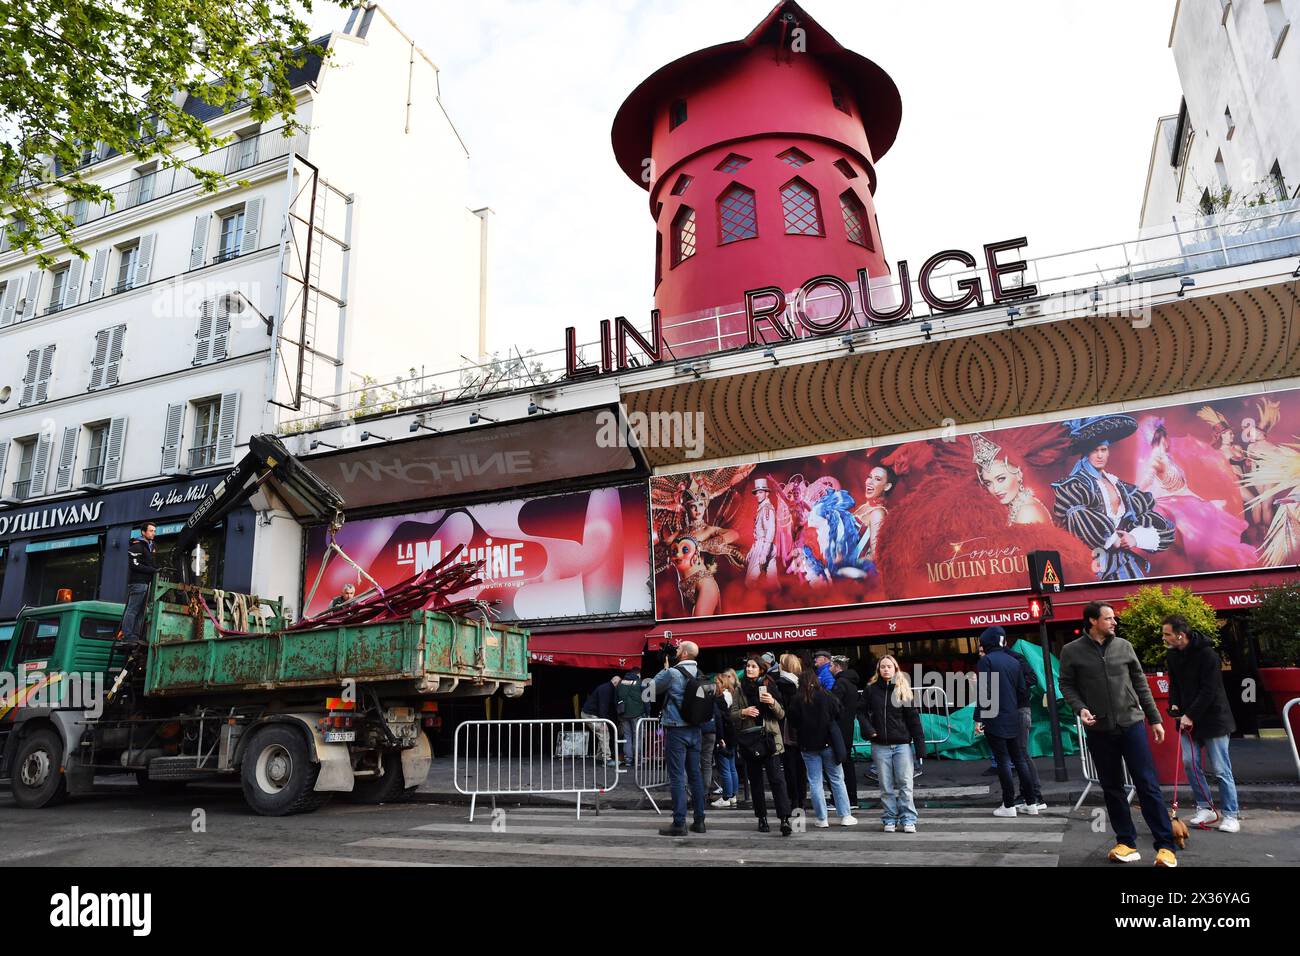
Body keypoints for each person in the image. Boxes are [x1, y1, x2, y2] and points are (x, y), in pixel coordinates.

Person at [1059, 601, 1178, 867]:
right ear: (1092, 621)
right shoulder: (1072, 651)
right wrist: (1080, 708)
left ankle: (1165, 846)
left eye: (1114, 618)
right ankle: (1126, 843)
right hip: (1099, 728)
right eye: (1109, 618)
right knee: (1112, 788)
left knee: (1147, 784)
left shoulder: (1124, 646)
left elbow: (1140, 684)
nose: (1114, 622)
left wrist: (1155, 719)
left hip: (1132, 724)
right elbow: (1065, 684)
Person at [1051, 415, 1175, 581]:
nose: (1100, 455)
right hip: (1092, 564)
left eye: (1103, 449)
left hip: (1124, 561)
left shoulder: (1121, 486)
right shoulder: (1075, 485)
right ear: (1086, 453)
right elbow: (1078, 520)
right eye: (1095, 450)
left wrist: (1134, 538)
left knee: (1135, 597)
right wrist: (1112, 539)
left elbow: (1156, 522)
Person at [1163, 615, 1240, 832]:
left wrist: (1190, 715)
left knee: (1221, 768)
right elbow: (1175, 684)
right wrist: (1175, 706)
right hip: (1188, 719)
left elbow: (1210, 690)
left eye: (1167, 634)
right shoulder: (1172, 655)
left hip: (1214, 718)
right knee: (1190, 763)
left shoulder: (1208, 655)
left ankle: (1231, 815)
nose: (1164, 638)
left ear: (1181, 635)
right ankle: (1205, 806)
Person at [975, 626, 1043, 817]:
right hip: (1014, 713)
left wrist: (979, 718)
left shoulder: (986, 661)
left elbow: (984, 693)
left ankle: (1009, 804)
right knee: (1019, 758)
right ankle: (1031, 802)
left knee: (1003, 760)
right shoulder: (1013, 661)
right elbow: (1022, 689)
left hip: (995, 716)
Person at [729, 656, 793, 835]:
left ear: (761, 670)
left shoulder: (770, 686)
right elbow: (732, 714)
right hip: (750, 742)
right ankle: (762, 818)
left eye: (753, 666)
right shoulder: (739, 689)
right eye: (748, 666)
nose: (749, 669)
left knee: (777, 781)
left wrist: (772, 702)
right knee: (756, 782)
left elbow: (781, 715)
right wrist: (744, 712)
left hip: (770, 740)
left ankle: (784, 819)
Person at [787, 669, 859, 827]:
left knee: (815, 782)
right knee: (837, 779)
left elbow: (793, 722)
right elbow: (838, 713)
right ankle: (845, 815)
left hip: (807, 745)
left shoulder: (797, 699)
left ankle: (822, 818)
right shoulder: (826, 695)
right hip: (828, 743)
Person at [652, 641, 707, 836]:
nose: (675, 652)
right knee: (695, 776)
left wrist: (665, 667)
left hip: (677, 730)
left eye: (677, 649)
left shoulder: (673, 673)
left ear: (683, 654)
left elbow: (649, 691)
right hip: (696, 730)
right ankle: (700, 821)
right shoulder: (700, 673)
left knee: (676, 777)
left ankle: (679, 823)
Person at [864, 655, 924, 833]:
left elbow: (913, 719)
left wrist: (920, 745)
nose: (886, 669)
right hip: (880, 745)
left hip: (902, 745)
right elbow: (860, 712)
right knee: (885, 785)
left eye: (889, 666)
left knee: (905, 784)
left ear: (895, 669)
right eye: (883, 666)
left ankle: (908, 819)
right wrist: (868, 729)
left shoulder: (902, 690)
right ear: (878, 670)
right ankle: (889, 818)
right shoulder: (871, 690)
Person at [1007, 641, 1047, 813]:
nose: (981, 653)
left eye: (982, 649)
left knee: (1021, 753)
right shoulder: (1012, 659)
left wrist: (1012, 687)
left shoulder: (1014, 658)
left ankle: (1035, 795)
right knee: (1019, 753)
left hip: (1018, 709)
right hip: (1016, 709)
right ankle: (1028, 794)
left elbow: (1031, 679)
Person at [829, 656, 870, 807]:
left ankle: (841, 799)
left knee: (839, 765)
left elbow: (834, 707)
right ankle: (851, 798)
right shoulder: (851, 683)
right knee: (847, 763)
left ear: (838, 666)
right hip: (848, 728)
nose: (829, 668)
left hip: (840, 729)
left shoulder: (840, 684)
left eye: (831, 665)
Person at [120, 522, 160, 644]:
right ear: (143, 532)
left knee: (142, 611)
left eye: (154, 531)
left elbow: (150, 564)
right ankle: (128, 636)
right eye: (151, 531)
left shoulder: (151, 546)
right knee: (133, 609)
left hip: (147, 583)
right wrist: (153, 570)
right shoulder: (137, 545)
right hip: (138, 582)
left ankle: (135, 636)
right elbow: (134, 565)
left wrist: (158, 568)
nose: (154, 533)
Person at [776, 653, 807, 814]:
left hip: (787, 730)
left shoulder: (781, 683)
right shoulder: (801, 683)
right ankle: (801, 798)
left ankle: (794, 799)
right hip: (801, 730)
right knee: (801, 766)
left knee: (790, 767)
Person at [711, 669, 740, 809]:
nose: (714, 684)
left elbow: (718, 720)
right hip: (733, 734)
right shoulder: (732, 695)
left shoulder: (719, 699)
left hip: (724, 735)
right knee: (732, 767)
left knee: (725, 768)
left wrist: (720, 738)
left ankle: (726, 797)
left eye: (716, 682)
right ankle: (733, 795)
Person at [580, 674, 622, 767]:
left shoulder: (607, 687)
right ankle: (607, 759)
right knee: (604, 732)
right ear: (615, 683)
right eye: (619, 685)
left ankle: (600, 756)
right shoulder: (607, 689)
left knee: (602, 733)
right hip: (589, 714)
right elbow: (603, 707)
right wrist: (604, 722)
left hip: (590, 713)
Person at [616, 668, 646, 768]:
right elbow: (646, 700)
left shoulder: (620, 683)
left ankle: (628, 760)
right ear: (638, 674)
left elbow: (616, 699)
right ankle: (638, 761)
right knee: (637, 737)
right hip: (637, 714)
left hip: (623, 714)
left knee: (627, 737)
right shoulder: (640, 683)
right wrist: (647, 712)